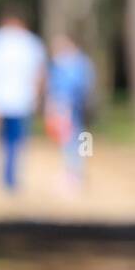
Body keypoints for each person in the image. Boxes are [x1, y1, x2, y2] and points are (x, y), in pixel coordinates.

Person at [0, 9, 47, 192]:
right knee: (17, 141)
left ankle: (7, 175)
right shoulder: (32, 43)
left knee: (4, 140)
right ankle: (11, 176)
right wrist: (39, 98)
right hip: (23, 100)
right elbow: (40, 76)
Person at [46, 35, 94, 190]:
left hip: (73, 108)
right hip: (64, 109)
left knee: (77, 141)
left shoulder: (78, 64)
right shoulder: (62, 63)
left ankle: (76, 175)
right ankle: (71, 173)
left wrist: (65, 102)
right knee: (68, 141)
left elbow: (79, 87)